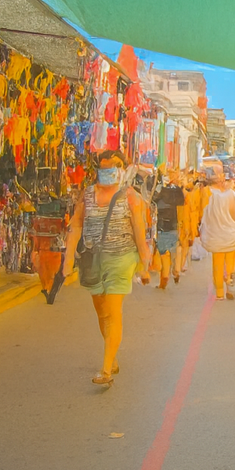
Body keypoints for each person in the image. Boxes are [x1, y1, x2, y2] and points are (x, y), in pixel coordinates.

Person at [63, 150, 152, 387]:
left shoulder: (131, 197)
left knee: (112, 311)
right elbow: (76, 226)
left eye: (112, 166)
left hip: (121, 259)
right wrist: (67, 260)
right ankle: (112, 358)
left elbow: (139, 233)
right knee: (101, 312)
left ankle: (105, 370)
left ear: (122, 169)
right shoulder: (88, 196)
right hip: (93, 259)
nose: (107, 171)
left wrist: (144, 266)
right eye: (103, 167)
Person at [198, 170, 235, 300]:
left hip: (215, 234)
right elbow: (234, 215)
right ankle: (229, 285)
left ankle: (220, 293)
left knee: (217, 264)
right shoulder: (231, 195)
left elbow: (203, 212)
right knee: (230, 263)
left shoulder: (208, 194)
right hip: (229, 234)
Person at [153, 170, 186, 289]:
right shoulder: (178, 191)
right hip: (174, 224)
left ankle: (165, 276)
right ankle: (176, 269)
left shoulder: (159, 190)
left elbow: (153, 204)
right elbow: (181, 209)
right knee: (175, 247)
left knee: (164, 252)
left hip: (162, 224)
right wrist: (181, 224)